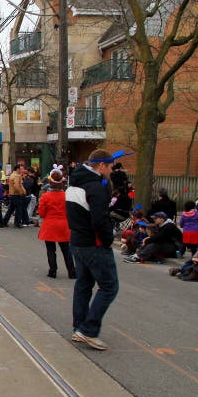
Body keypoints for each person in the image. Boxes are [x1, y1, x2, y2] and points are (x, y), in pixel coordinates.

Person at [65, 149, 119, 351]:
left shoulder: (74, 183)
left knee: (83, 284)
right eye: (111, 166)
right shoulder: (95, 187)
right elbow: (99, 219)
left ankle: (79, 327)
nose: (112, 170)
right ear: (102, 165)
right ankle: (88, 330)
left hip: (77, 241)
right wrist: (107, 239)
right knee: (109, 287)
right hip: (93, 243)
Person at [38, 168, 75, 279]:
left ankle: (53, 271)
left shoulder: (46, 196)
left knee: (51, 250)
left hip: (50, 225)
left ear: (50, 183)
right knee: (66, 250)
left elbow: (41, 212)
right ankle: (72, 271)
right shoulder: (67, 196)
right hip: (63, 224)